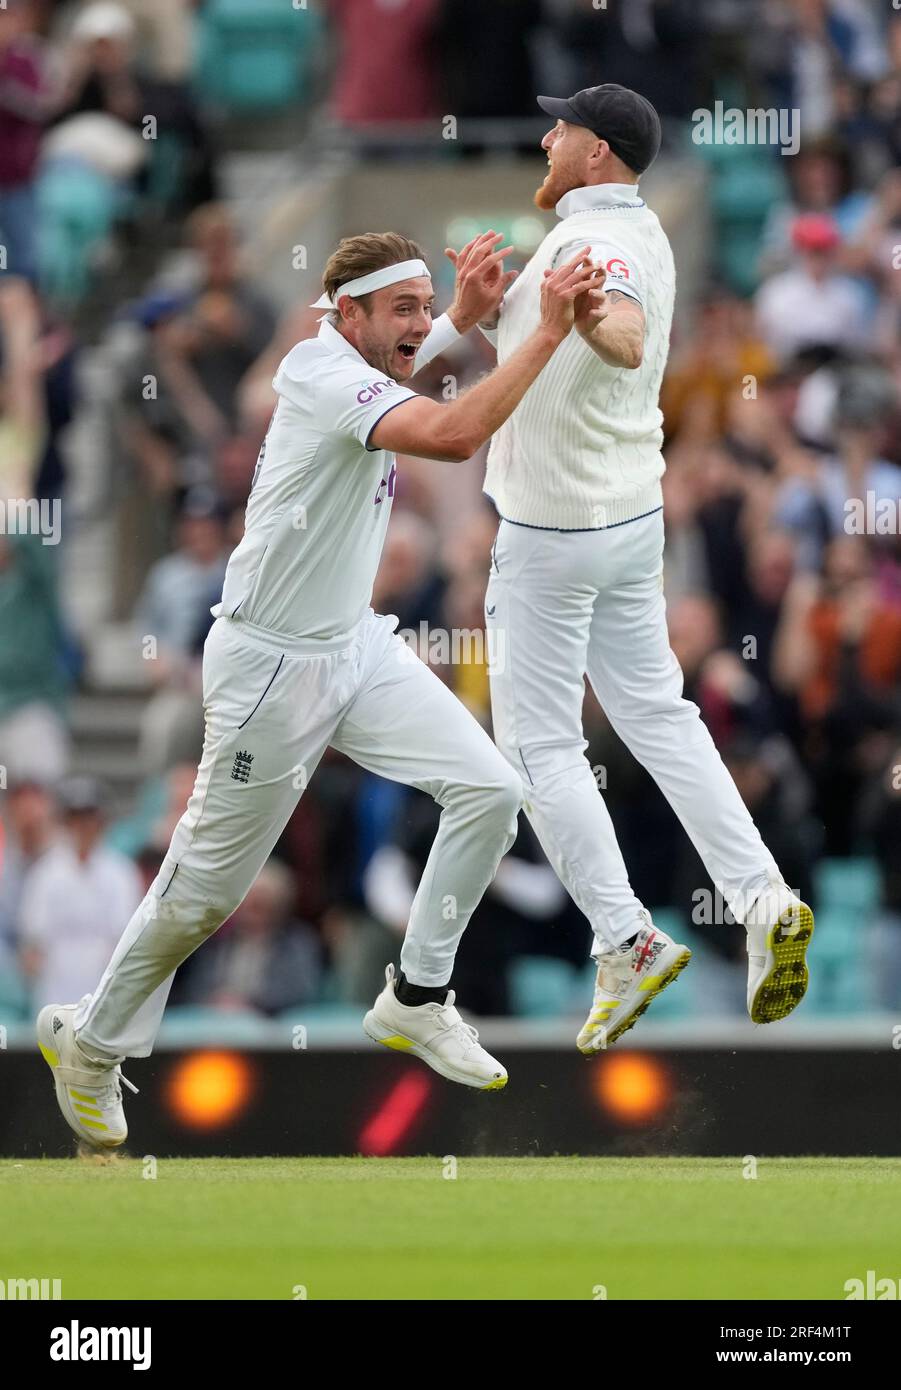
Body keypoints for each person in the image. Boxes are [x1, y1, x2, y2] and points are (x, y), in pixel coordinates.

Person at [36, 228, 605, 1148]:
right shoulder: (318, 371)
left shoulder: (364, 362)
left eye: (426, 306)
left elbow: (420, 375)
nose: (421, 323)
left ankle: (416, 994)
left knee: (492, 789)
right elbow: (454, 435)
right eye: (404, 310)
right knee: (204, 896)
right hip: (269, 667)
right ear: (346, 316)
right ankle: (94, 1043)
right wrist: (540, 331)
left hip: (352, 647)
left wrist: (461, 316)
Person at [477, 83, 815, 1054]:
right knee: (659, 717)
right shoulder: (639, 228)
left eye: (561, 128)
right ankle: (759, 899)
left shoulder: (602, 244)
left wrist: (586, 320)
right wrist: (506, 310)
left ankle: (625, 938)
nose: (545, 136)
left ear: (598, 153)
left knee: (539, 745)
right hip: (628, 518)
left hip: (552, 531)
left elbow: (620, 336)